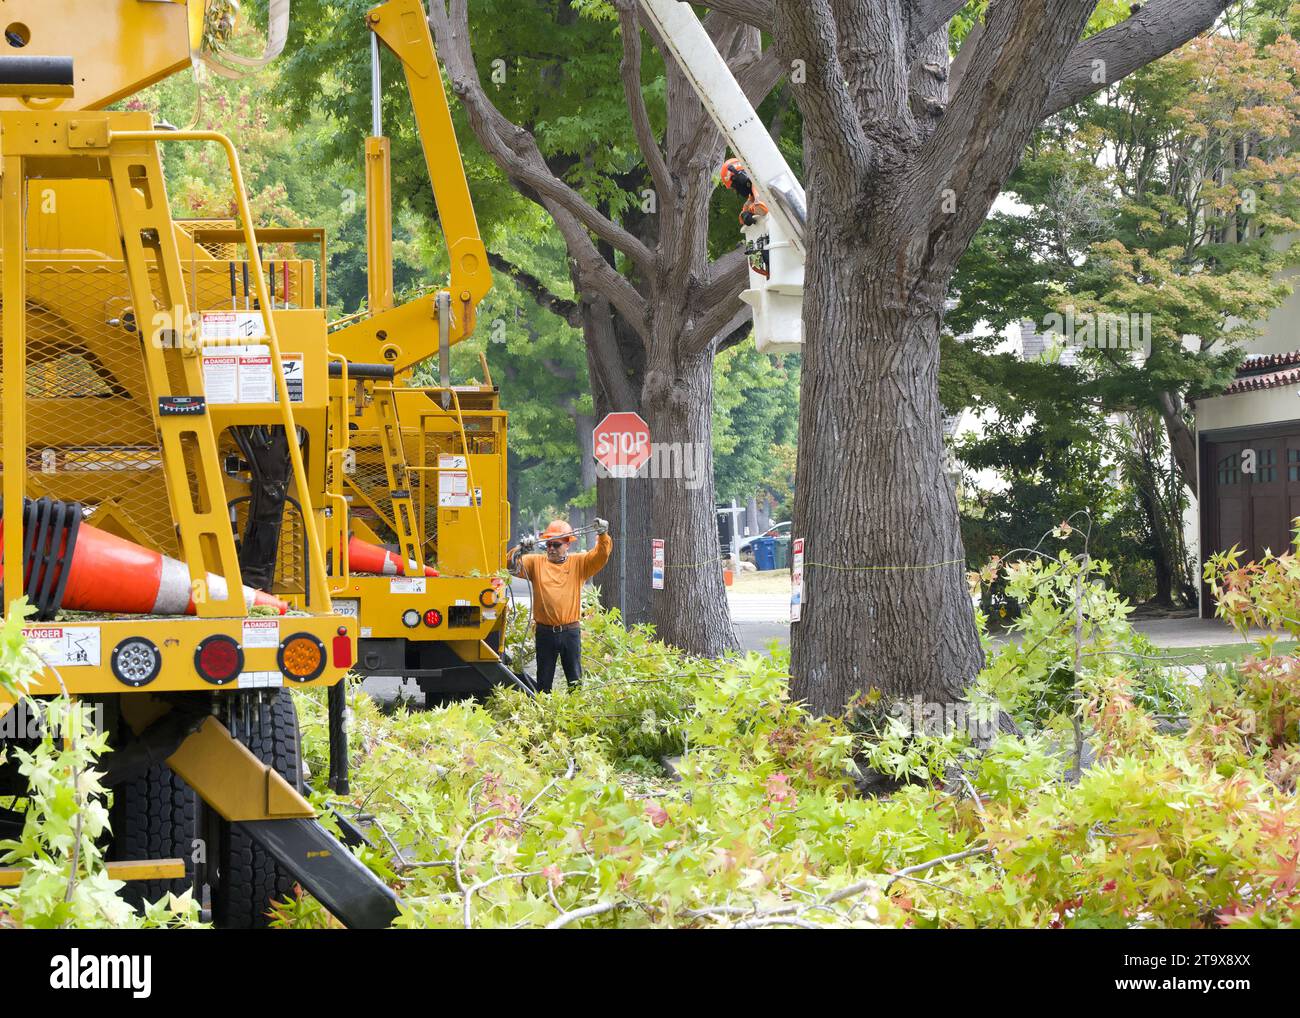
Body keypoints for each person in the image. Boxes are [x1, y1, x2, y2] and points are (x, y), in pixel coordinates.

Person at [508, 518, 611, 693]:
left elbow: (601, 556)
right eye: (548, 545)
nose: (551, 549)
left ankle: (574, 712)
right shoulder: (535, 563)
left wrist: (603, 535)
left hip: (570, 632)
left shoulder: (579, 563)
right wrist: (520, 550)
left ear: (567, 545)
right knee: (543, 683)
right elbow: (509, 565)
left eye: (556, 545)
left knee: (575, 682)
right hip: (545, 632)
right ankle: (543, 713)